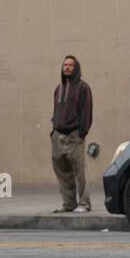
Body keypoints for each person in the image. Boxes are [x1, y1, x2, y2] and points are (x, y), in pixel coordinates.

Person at [51, 54, 93, 213]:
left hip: (75, 136)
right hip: (58, 136)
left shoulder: (83, 87)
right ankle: (69, 204)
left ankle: (84, 204)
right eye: (65, 65)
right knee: (63, 173)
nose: (67, 67)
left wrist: (82, 132)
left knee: (80, 172)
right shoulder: (58, 88)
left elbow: (87, 111)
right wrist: (53, 131)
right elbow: (56, 111)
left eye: (71, 65)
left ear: (76, 68)